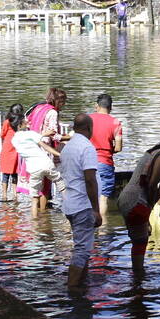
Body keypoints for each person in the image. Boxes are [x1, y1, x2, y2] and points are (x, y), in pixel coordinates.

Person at [116, 141, 160, 276]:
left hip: (126, 199)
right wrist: (149, 207)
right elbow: (153, 185)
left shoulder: (155, 152)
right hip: (136, 202)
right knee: (141, 241)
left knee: (138, 240)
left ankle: (137, 275)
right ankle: (138, 276)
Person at [59, 113, 102, 288]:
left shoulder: (67, 147)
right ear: (89, 128)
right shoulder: (87, 147)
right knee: (82, 250)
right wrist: (96, 209)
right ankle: (72, 288)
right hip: (83, 205)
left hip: (71, 203)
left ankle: (82, 285)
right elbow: (90, 180)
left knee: (82, 248)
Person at [20, 88, 68, 203]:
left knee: (36, 185)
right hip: (45, 150)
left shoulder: (39, 107)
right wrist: (68, 137)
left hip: (33, 149)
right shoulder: (52, 112)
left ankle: (38, 215)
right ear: (57, 101)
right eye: (62, 102)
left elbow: (28, 121)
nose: (63, 105)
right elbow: (53, 134)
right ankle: (44, 214)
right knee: (46, 183)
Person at [9, 114, 62, 212]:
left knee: (34, 198)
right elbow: (45, 146)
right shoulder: (31, 134)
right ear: (19, 126)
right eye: (25, 121)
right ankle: (72, 209)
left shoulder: (14, 140)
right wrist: (59, 154)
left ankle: (35, 222)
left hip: (33, 169)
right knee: (62, 186)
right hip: (46, 163)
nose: (27, 121)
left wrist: (43, 134)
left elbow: (28, 140)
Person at [89, 93, 124, 224]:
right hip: (105, 162)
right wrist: (108, 149)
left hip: (87, 162)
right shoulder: (115, 122)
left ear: (96, 106)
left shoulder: (88, 119)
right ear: (111, 107)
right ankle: (102, 229)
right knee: (103, 199)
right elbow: (119, 147)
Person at [0, 102, 25, 202]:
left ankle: (4, 195)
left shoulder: (7, 122)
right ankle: (15, 194)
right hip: (17, 148)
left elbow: (2, 134)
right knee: (15, 172)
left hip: (7, 148)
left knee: (5, 173)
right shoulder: (21, 122)